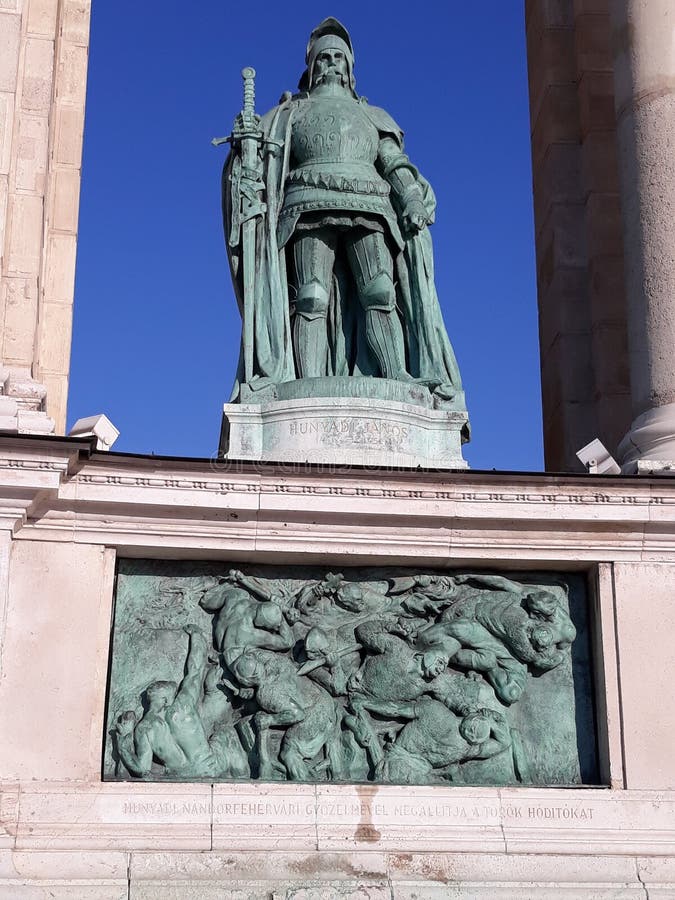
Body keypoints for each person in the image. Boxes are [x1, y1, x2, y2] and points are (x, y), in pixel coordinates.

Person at [223, 17, 467, 428]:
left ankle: (396, 375)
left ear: (350, 68)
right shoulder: (287, 113)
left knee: (379, 291)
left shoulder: (372, 115)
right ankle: (308, 383)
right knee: (312, 297)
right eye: (324, 57)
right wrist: (244, 146)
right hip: (305, 206)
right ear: (311, 66)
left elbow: (394, 163)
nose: (331, 63)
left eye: (339, 57)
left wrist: (409, 196)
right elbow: (259, 160)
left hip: (371, 205)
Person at [113, 625, 247, 778]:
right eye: (174, 693)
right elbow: (195, 671)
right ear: (167, 700)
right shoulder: (182, 704)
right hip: (211, 766)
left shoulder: (143, 728)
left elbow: (142, 768)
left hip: (184, 775)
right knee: (226, 733)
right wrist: (197, 636)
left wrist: (124, 739)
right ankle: (245, 782)